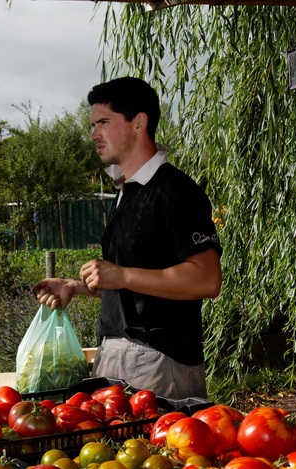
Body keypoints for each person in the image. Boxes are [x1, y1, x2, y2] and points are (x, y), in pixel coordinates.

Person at [32, 76, 222, 399]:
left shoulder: (175, 192)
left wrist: (119, 274)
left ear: (139, 123)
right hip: (115, 361)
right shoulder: (125, 192)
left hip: (160, 365)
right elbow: (137, 288)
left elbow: (207, 280)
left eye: (104, 122)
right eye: (93, 124)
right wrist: (75, 287)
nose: (94, 134)